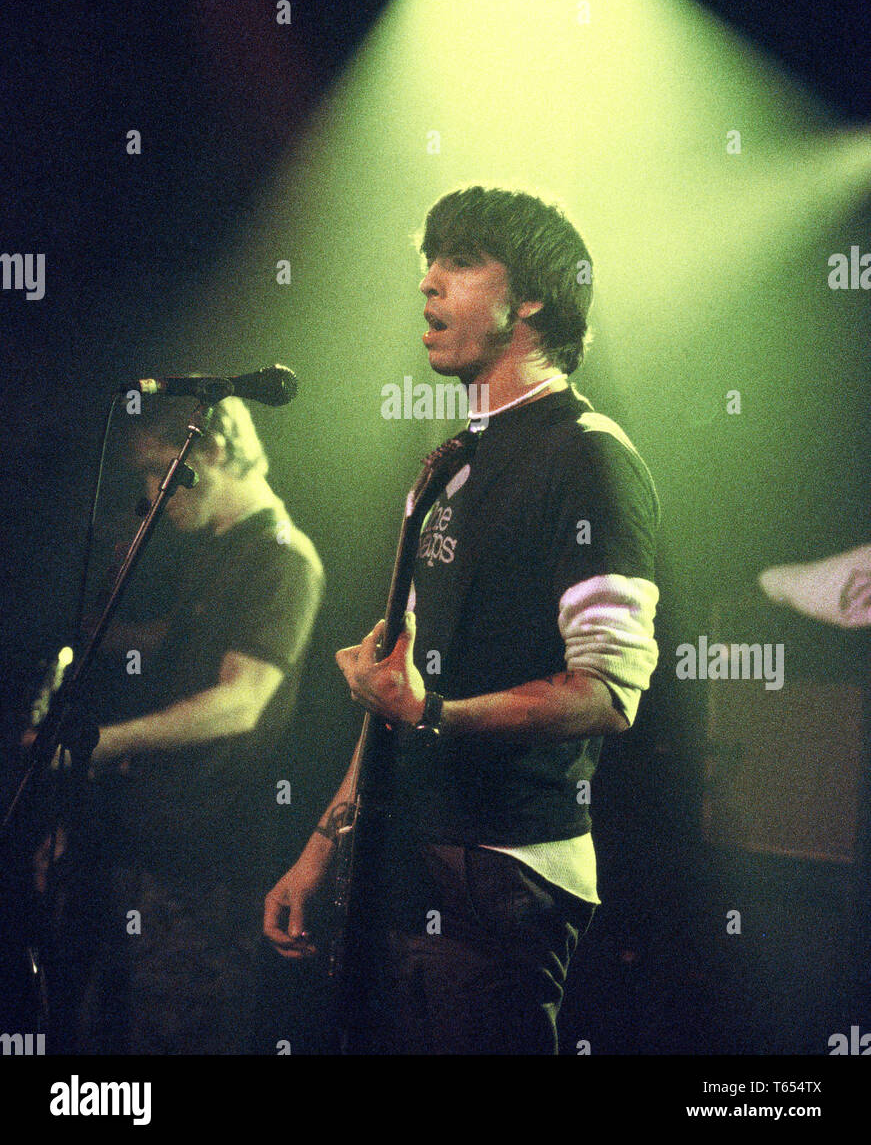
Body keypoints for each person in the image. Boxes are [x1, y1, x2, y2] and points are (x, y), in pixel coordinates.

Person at [264, 186, 660, 1054]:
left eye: (460, 263)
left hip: (506, 873)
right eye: (427, 263)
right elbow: (393, 692)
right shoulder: (445, 465)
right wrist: (321, 846)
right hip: (405, 855)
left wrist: (436, 714)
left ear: (530, 299)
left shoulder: (587, 454)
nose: (428, 284)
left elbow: (607, 692)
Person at [76, 396, 324, 1054]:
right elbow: (190, 650)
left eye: (163, 471)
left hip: (208, 863)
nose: (154, 493)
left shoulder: (283, 557)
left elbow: (240, 700)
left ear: (211, 451)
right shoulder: (217, 551)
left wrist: (102, 744)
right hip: (152, 847)